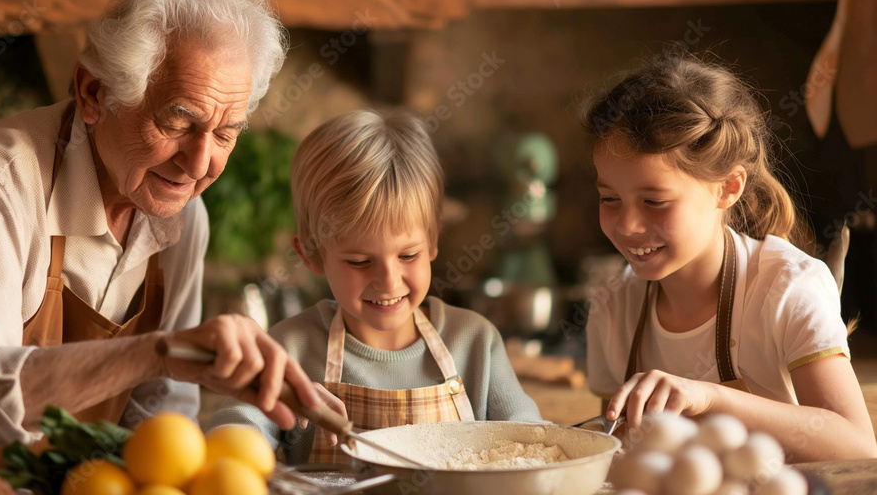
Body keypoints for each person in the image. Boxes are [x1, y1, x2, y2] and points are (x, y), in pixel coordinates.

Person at [0, 0, 322, 482]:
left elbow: (160, 416)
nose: (200, 164)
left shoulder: (182, 218)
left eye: (225, 133)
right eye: (177, 121)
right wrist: (160, 353)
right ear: (94, 93)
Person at [584, 55, 877, 462]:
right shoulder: (614, 305)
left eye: (654, 201)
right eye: (609, 199)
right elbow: (611, 449)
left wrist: (707, 397)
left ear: (728, 188)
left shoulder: (788, 288)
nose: (628, 225)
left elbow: (858, 447)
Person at [207, 110, 543, 464]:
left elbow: (530, 439)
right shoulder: (290, 349)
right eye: (359, 261)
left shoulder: (475, 343)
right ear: (310, 254)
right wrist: (264, 425)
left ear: (432, 240)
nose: (388, 281)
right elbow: (231, 436)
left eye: (408, 255)